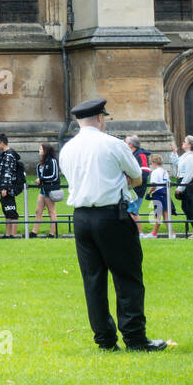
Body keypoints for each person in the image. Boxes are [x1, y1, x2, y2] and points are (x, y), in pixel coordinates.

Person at [58, 97, 166, 352]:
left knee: (93, 280)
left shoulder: (67, 149)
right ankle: (135, 338)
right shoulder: (113, 145)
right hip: (111, 215)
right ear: (99, 118)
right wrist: (119, 182)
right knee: (127, 276)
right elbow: (138, 178)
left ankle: (105, 340)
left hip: (82, 217)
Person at [29, 143, 62, 239]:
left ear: (45, 151)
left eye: (40, 149)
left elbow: (54, 176)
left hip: (50, 190)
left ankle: (52, 234)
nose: (39, 150)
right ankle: (34, 233)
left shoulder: (53, 161)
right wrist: (39, 180)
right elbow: (40, 176)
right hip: (42, 190)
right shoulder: (40, 164)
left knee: (51, 212)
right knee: (38, 211)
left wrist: (41, 179)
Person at [175, 135, 193, 238]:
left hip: (190, 184)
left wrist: (180, 187)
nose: (182, 143)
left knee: (190, 207)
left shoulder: (190, 157)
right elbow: (177, 163)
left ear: (189, 145)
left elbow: (189, 174)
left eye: (184, 141)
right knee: (187, 207)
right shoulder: (186, 155)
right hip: (186, 182)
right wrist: (174, 152)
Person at [0, 133, 22, 238]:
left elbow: (8, 172)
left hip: (7, 188)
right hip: (5, 187)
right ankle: (8, 233)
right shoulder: (6, 154)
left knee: (11, 210)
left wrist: (4, 188)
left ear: (2, 143)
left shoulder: (9, 155)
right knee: (6, 210)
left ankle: (13, 234)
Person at [125, 135, 152, 227]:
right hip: (132, 187)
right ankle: (138, 233)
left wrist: (135, 183)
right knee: (132, 211)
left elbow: (145, 172)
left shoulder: (140, 155)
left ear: (130, 145)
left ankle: (138, 233)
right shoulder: (132, 155)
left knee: (132, 212)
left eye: (126, 142)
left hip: (137, 188)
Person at [147, 155, 170, 238]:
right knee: (166, 215)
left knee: (158, 215)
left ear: (153, 162)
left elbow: (154, 185)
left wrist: (148, 193)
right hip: (165, 193)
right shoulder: (165, 171)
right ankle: (172, 233)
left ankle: (154, 234)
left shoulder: (155, 172)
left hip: (158, 195)